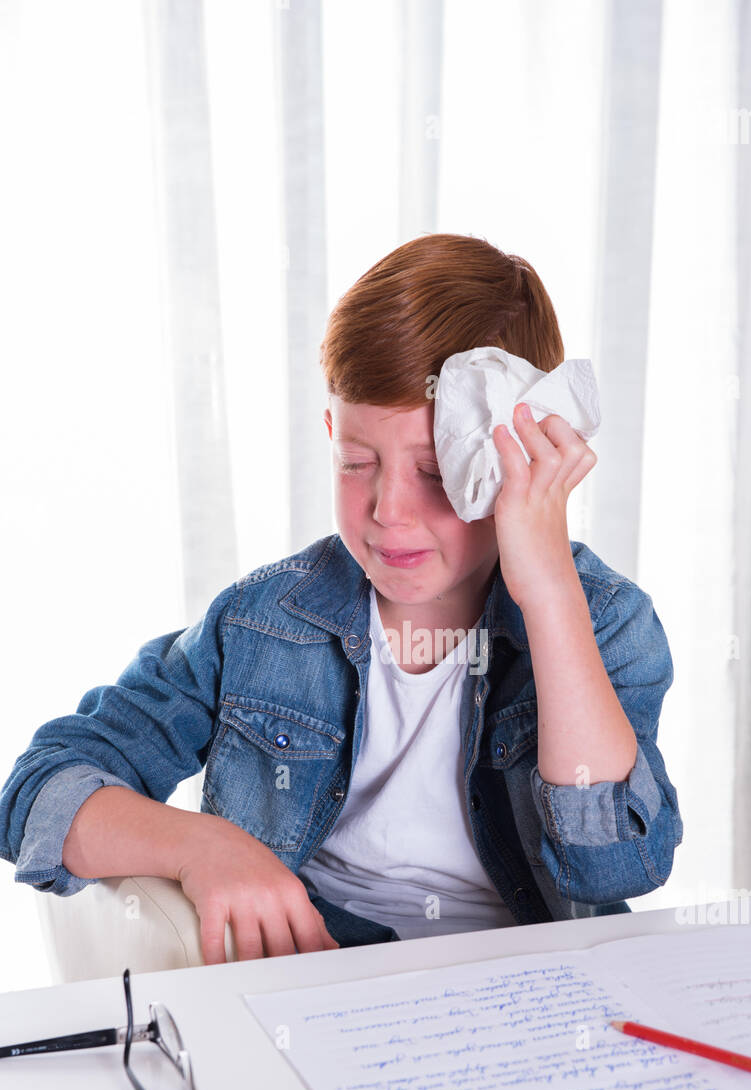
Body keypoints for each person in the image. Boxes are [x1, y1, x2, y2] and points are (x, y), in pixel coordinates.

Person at [0, 233, 683, 962]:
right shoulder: (262, 623)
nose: (388, 510)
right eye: (357, 462)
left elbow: (612, 866)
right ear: (330, 433)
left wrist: (546, 588)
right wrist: (205, 846)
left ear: (522, 459)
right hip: (319, 975)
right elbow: (38, 792)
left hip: (527, 990)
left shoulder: (607, 622)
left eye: (434, 470)